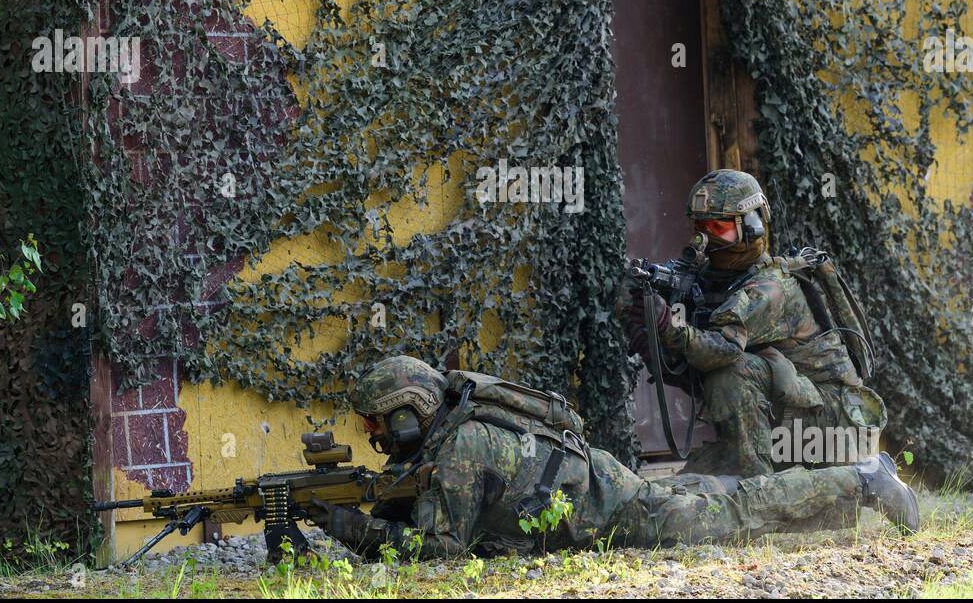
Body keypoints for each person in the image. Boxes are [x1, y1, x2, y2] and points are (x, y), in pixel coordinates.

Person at [311, 356, 918, 560]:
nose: (378, 438)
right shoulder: (453, 433)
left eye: (379, 424)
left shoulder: (460, 448)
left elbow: (439, 550)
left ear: (407, 413)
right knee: (715, 498)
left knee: (734, 514)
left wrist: (347, 527)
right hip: (602, 488)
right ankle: (850, 482)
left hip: (612, 508)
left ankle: (861, 478)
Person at [628, 169, 888, 477]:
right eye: (700, 228)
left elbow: (720, 351)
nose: (706, 239)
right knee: (688, 488)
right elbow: (692, 368)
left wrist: (667, 325)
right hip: (790, 417)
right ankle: (757, 475)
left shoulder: (770, 288)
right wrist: (647, 334)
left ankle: (764, 492)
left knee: (730, 369)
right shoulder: (714, 279)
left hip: (830, 426)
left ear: (751, 226)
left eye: (717, 227)